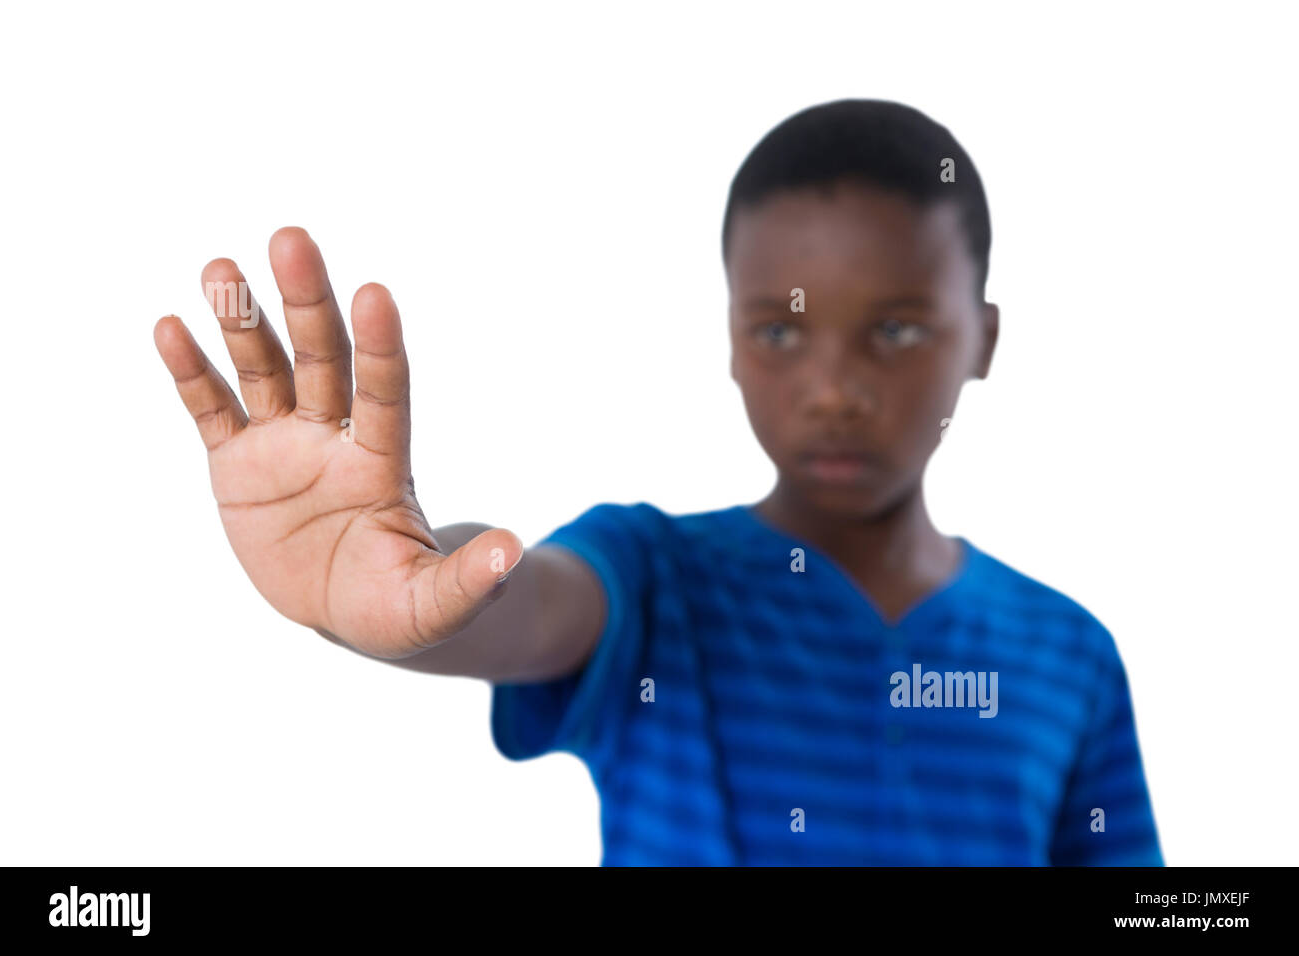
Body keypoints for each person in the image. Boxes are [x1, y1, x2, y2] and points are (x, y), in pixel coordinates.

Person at [153, 98, 1162, 866]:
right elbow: (528, 603)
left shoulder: (1068, 655)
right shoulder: (657, 578)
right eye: (780, 329)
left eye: (895, 328)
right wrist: (406, 580)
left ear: (981, 338)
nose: (833, 391)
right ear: (729, 341)